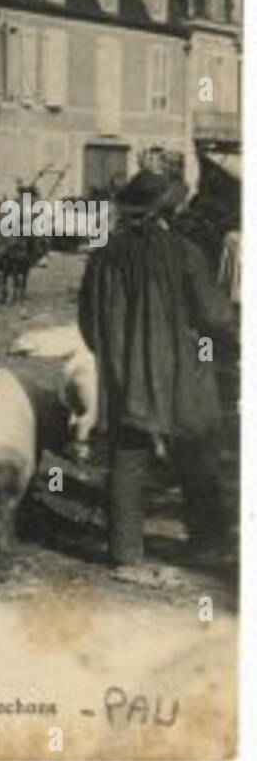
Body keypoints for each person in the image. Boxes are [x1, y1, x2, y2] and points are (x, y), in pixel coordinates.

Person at [77, 171, 237, 570]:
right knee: (198, 454)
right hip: (183, 373)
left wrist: (118, 356)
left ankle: (125, 554)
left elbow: (89, 325)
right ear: (168, 209)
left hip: (124, 375)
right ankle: (207, 545)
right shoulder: (185, 253)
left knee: (128, 460)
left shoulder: (102, 256)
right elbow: (215, 317)